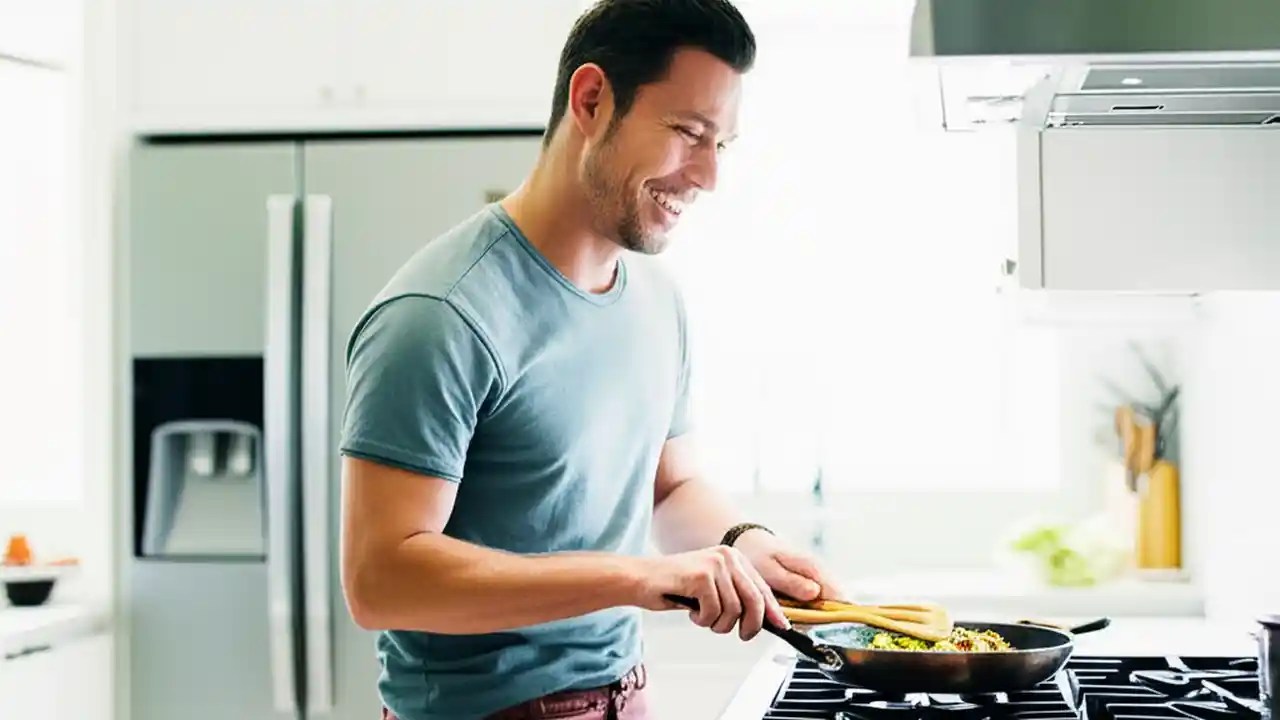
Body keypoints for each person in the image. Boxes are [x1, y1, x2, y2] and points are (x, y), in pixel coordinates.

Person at [338, 1, 845, 718]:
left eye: (721, 145)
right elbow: (380, 582)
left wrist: (742, 544)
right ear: (592, 100)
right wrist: (636, 577)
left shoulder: (656, 301)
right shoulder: (440, 314)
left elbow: (669, 487)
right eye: (686, 133)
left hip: (624, 696)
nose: (707, 176)